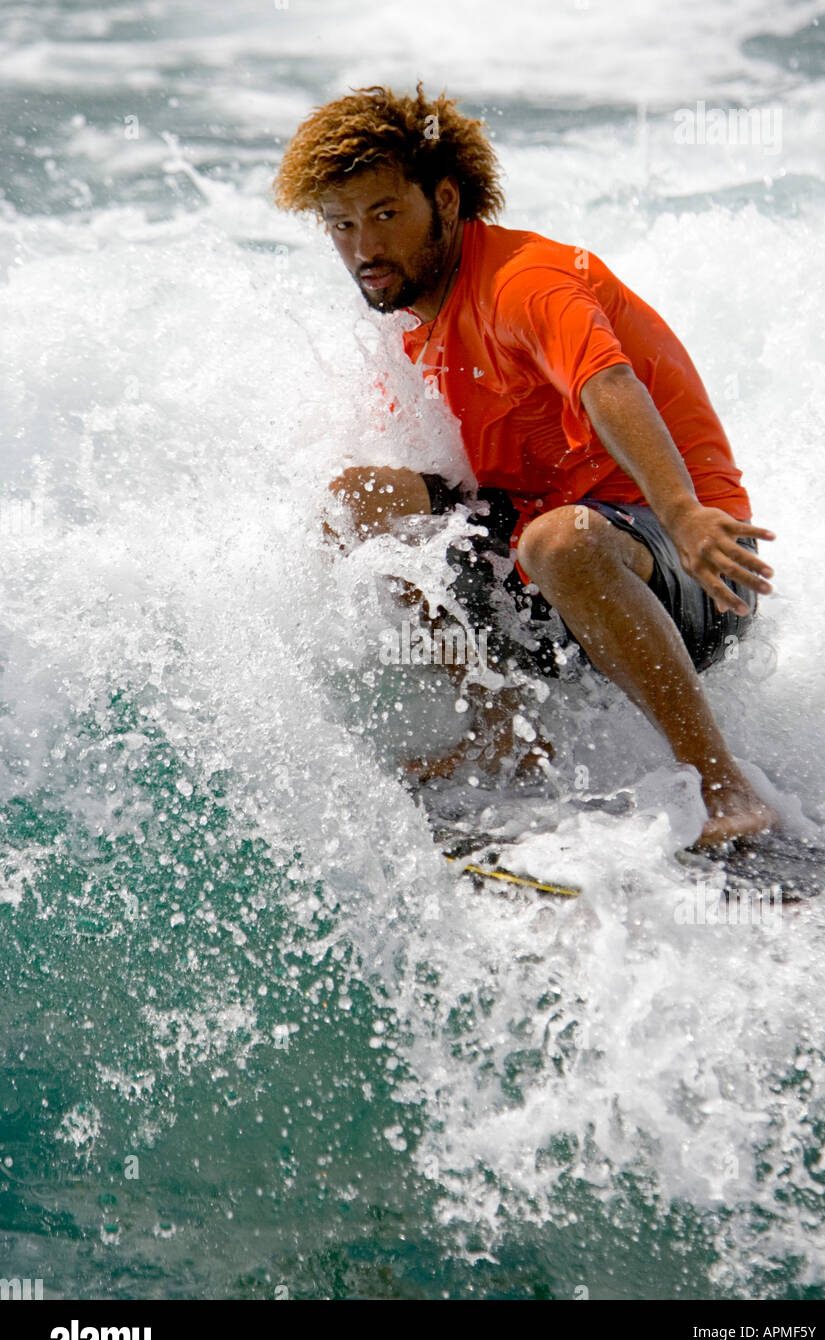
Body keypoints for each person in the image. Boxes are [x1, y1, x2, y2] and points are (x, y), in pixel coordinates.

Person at [274, 84, 778, 848]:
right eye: (341, 225)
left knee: (558, 541)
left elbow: (608, 383)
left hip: (697, 568)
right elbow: (454, 490)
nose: (364, 249)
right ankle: (505, 728)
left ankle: (722, 783)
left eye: (384, 214)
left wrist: (683, 513)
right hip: (561, 578)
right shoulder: (415, 329)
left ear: (445, 199)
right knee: (360, 500)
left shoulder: (524, 281)